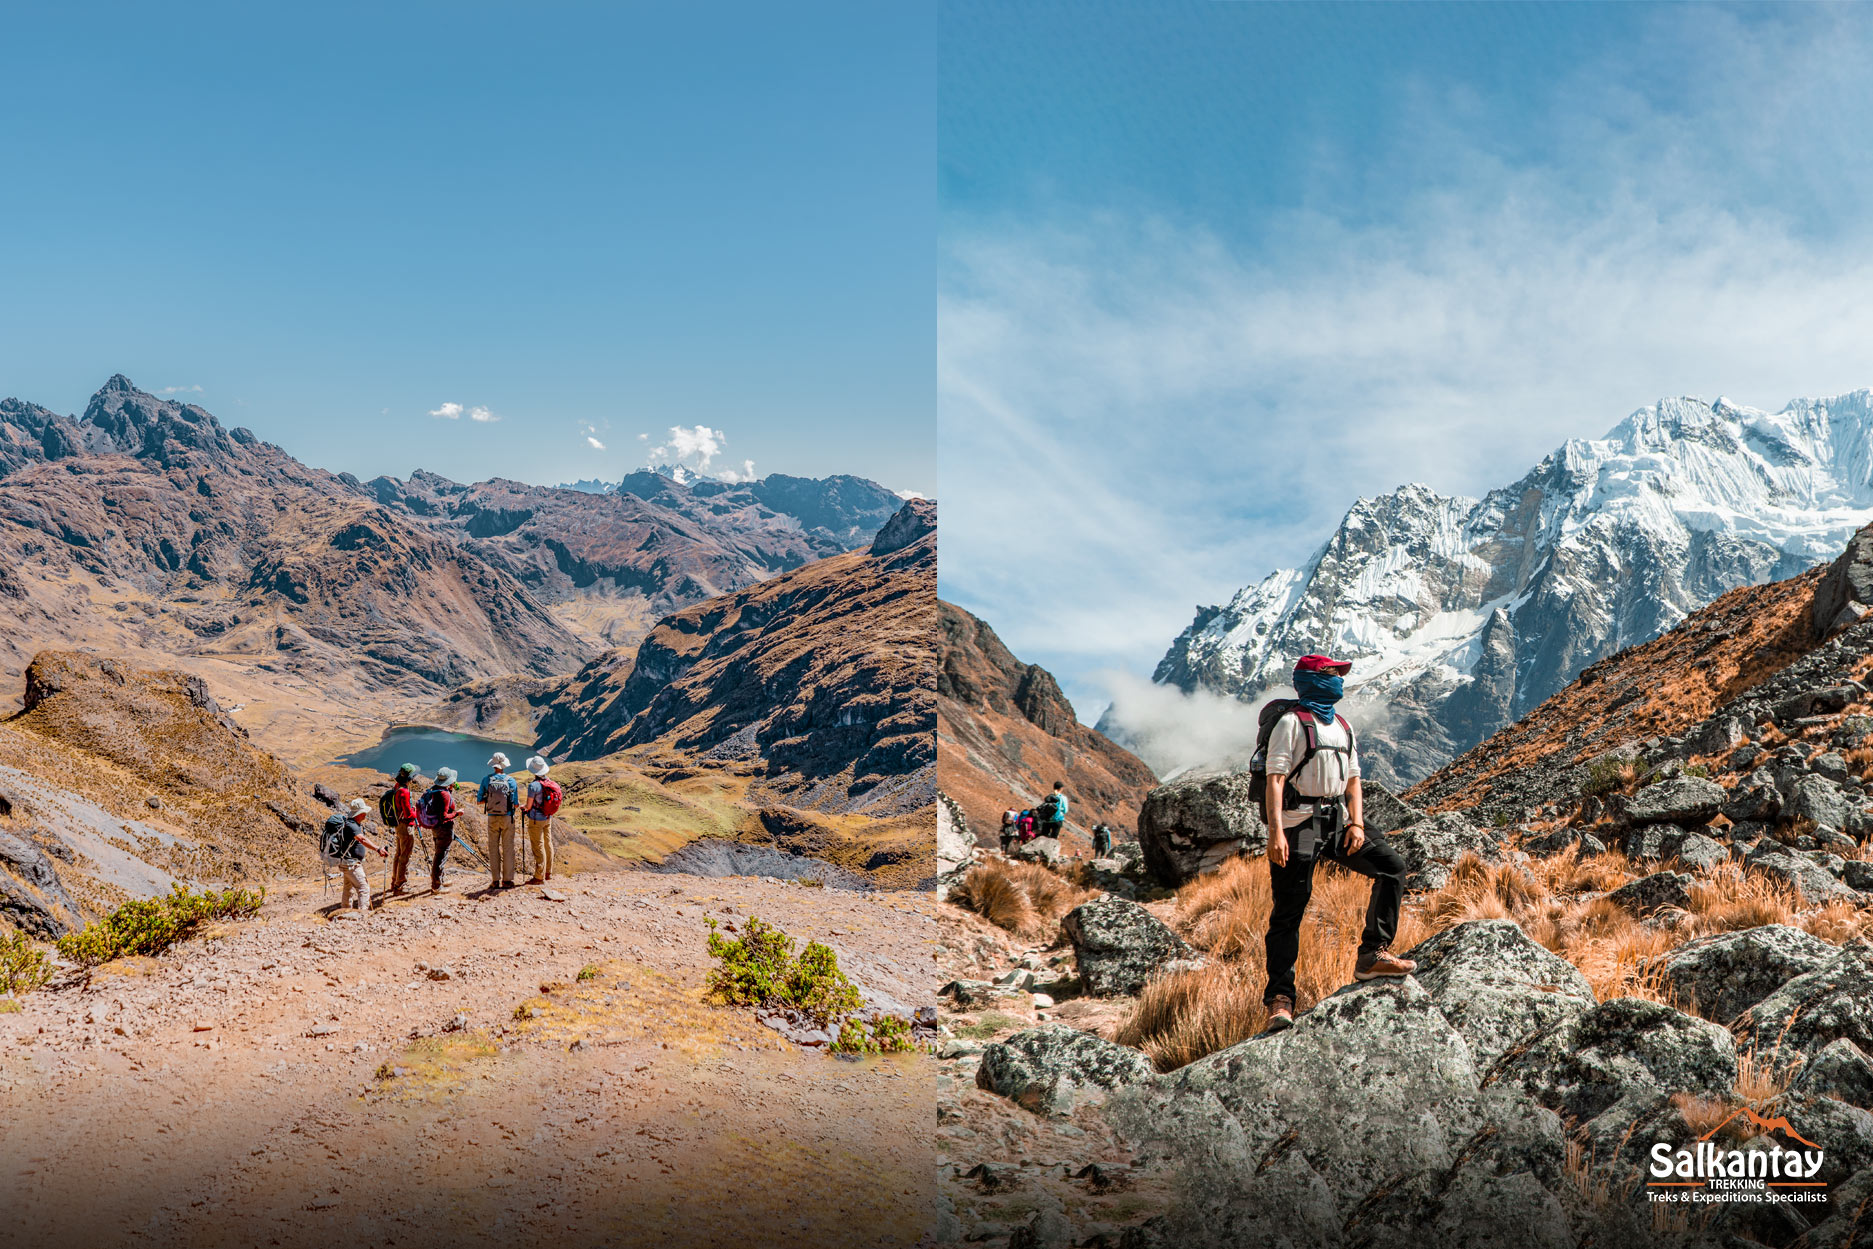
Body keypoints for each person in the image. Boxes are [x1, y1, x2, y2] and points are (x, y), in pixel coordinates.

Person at [1261, 654, 1413, 1034]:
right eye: (1333, 673)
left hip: (1337, 824)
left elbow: (1354, 782)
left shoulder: (1343, 726)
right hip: (1299, 827)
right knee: (1289, 912)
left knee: (1391, 867)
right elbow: (1275, 780)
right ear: (1312, 679)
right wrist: (1275, 832)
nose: (1339, 681)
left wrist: (1357, 823)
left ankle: (1371, 955)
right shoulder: (1291, 723)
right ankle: (1280, 1001)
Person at [329, 798, 389, 913]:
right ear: (359, 813)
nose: (365, 814)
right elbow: (361, 839)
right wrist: (377, 849)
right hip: (351, 864)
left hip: (346, 862)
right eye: (363, 812)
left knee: (348, 888)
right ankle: (363, 915)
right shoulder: (352, 826)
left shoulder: (351, 823)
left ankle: (345, 912)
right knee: (363, 888)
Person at [478, 752, 520, 890]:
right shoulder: (511, 781)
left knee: (493, 848)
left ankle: (495, 880)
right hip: (507, 817)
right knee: (508, 848)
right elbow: (515, 804)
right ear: (504, 765)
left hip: (492, 818)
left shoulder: (486, 780)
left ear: (494, 765)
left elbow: (479, 801)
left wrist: (491, 800)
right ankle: (507, 881)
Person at [423, 767, 461, 892]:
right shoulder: (444, 794)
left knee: (439, 853)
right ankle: (436, 885)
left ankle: (440, 879)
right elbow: (444, 816)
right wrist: (457, 814)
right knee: (441, 856)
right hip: (444, 828)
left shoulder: (435, 790)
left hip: (436, 828)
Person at [522, 755, 559, 885]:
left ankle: (539, 876)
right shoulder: (550, 783)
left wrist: (524, 807)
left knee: (538, 845)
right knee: (548, 843)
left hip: (536, 820)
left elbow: (529, 806)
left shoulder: (533, 786)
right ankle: (548, 872)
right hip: (548, 817)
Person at [386, 763, 420, 895]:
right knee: (404, 856)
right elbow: (408, 814)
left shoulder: (396, 787)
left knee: (398, 854)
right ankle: (400, 885)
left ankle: (394, 882)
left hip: (398, 825)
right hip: (406, 826)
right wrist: (417, 812)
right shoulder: (404, 792)